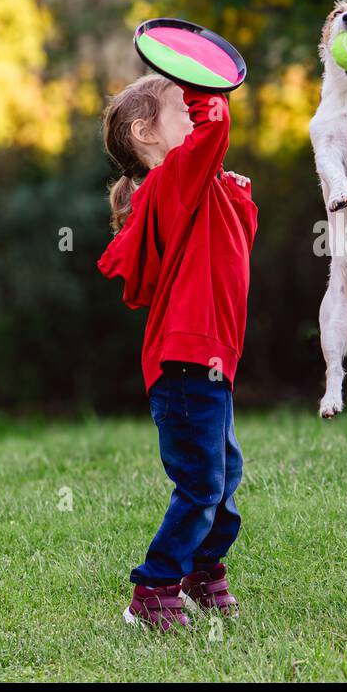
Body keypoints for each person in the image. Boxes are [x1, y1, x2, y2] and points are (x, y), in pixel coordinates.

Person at [98, 73, 258, 628]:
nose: (195, 114)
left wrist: (234, 191)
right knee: (201, 484)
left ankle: (202, 573)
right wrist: (206, 78)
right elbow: (215, 125)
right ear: (147, 133)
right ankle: (154, 587)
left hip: (212, 362)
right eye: (183, 108)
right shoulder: (170, 180)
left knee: (224, 477)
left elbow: (234, 242)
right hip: (186, 364)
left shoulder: (193, 184)